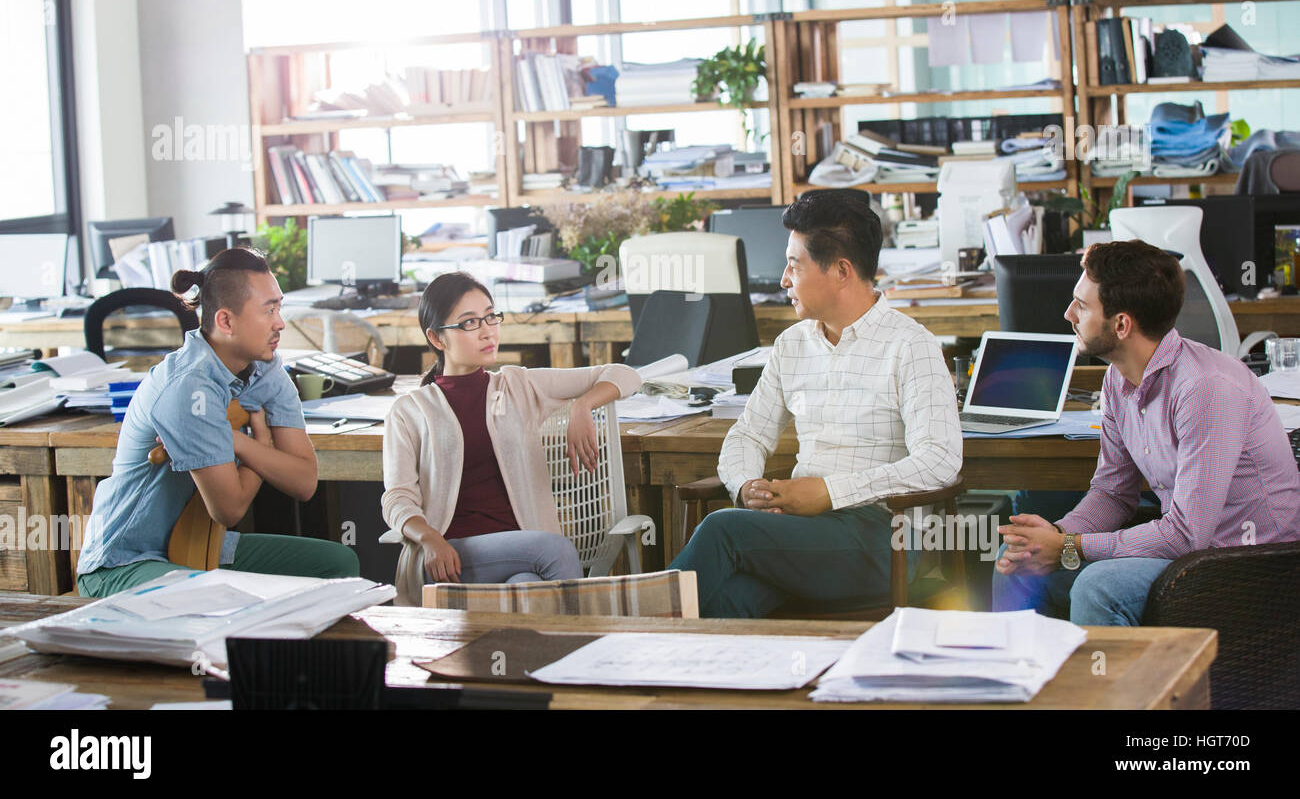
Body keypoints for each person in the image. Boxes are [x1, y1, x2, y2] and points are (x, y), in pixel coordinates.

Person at [667, 189, 963, 617]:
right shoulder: (792, 345)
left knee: (721, 531)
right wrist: (745, 484)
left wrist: (830, 493)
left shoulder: (911, 345)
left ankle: (616, 641)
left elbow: (940, 460)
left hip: (882, 539)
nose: (784, 279)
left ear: (841, 270)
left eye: (794, 264)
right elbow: (748, 434)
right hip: (798, 535)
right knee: (729, 602)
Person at [993, 239, 1300, 626]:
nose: (1068, 313)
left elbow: (1187, 536)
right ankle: (1029, 684)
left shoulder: (1206, 389)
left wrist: (1070, 546)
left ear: (1121, 324)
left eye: (1082, 306)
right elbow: (1112, 494)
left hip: (1248, 564)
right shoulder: (1117, 381)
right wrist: (1051, 538)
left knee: (1097, 586)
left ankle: (1103, 686)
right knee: (1017, 566)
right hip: (1191, 552)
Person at [77, 247, 360, 598]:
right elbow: (229, 508)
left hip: (199, 546)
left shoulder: (267, 367)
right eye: (268, 310)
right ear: (226, 321)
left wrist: (238, 441)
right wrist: (262, 444)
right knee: (212, 596)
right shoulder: (187, 387)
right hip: (124, 562)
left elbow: (303, 482)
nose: (280, 322)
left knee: (337, 565)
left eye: (279, 306)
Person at [381, 271, 641, 605]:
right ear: (437, 338)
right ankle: (588, 646)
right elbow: (397, 498)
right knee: (554, 548)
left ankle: (529, 656)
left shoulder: (518, 386)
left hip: (523, 555)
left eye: (491, 316)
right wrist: (430, 539)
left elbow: (625, 374)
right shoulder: (410, 410)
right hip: (449, 555)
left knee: (530, 586)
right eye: (470, 323)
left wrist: (583, 405)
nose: (488, 330)